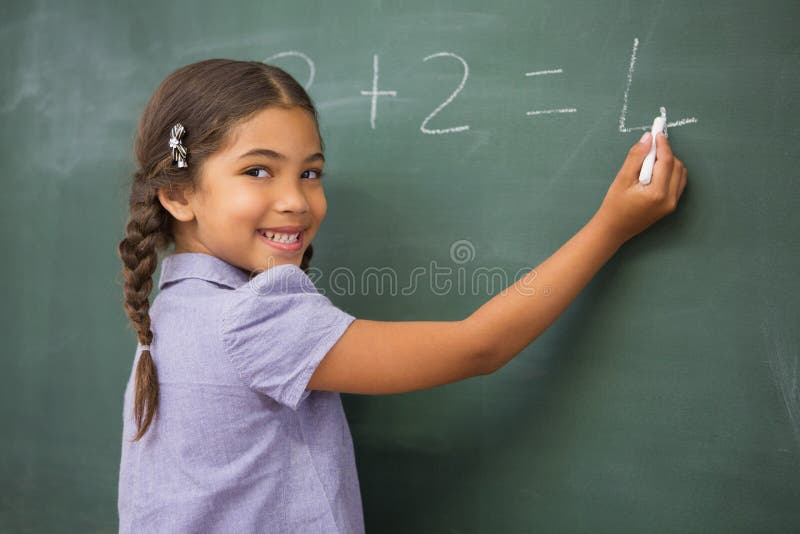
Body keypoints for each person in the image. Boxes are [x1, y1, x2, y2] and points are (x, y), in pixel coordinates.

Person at [116, 59, 686, 533]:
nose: (295, 200)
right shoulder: (251, 317)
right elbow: (478, 348)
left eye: (310, 173)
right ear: (178, 193)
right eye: (259, 172)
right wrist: (611, 226)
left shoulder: (175, 308)